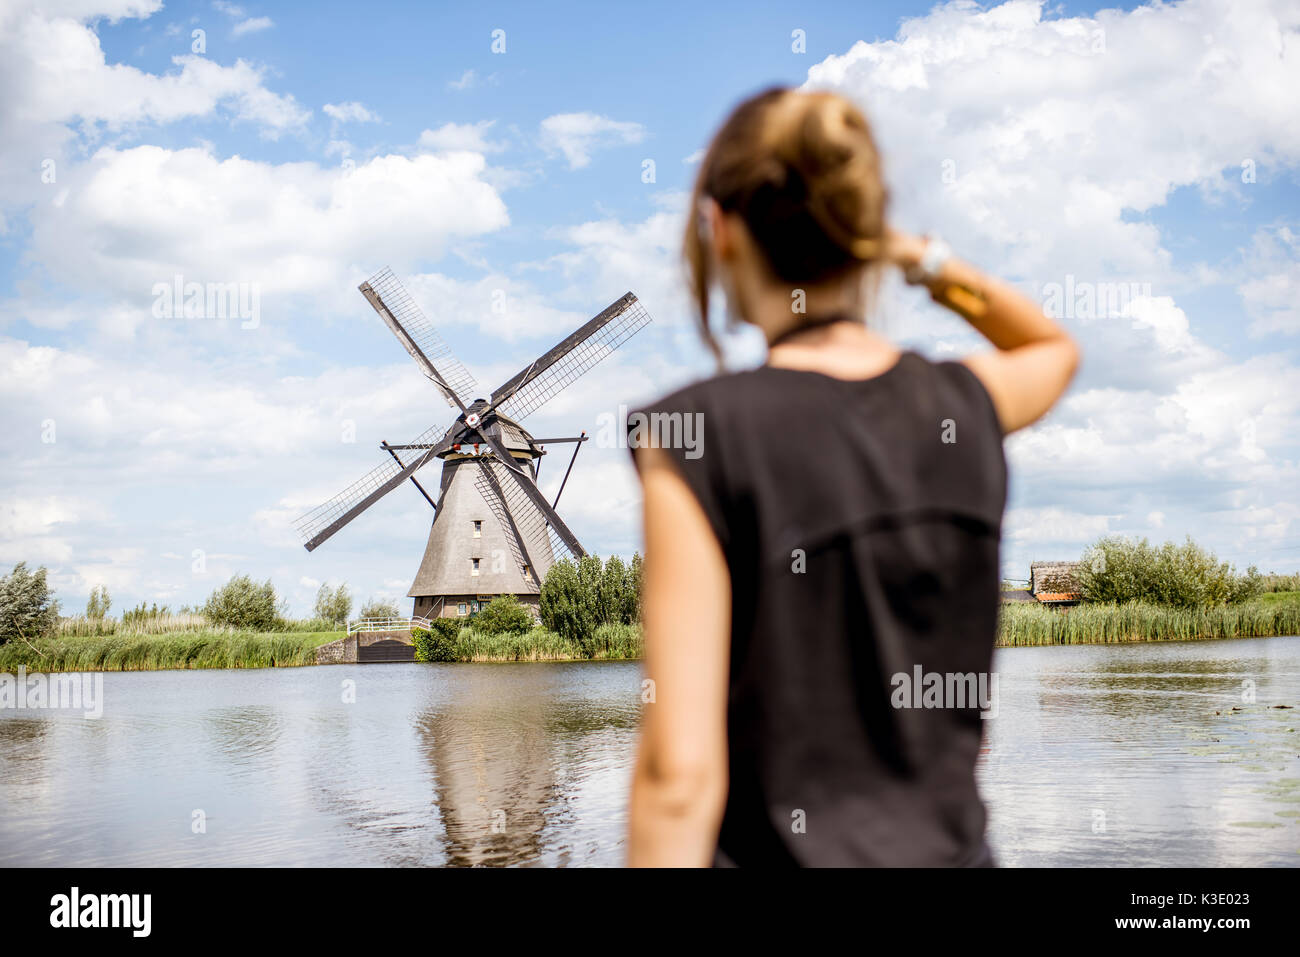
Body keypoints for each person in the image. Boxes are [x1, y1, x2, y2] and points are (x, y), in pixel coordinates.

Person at [625, 87, 1079, 867]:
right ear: (863, 231)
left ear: (719, 231)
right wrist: (923, 259)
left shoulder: (693, 433)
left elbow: (678, 776)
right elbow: (1053, 349)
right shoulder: (965, 401)